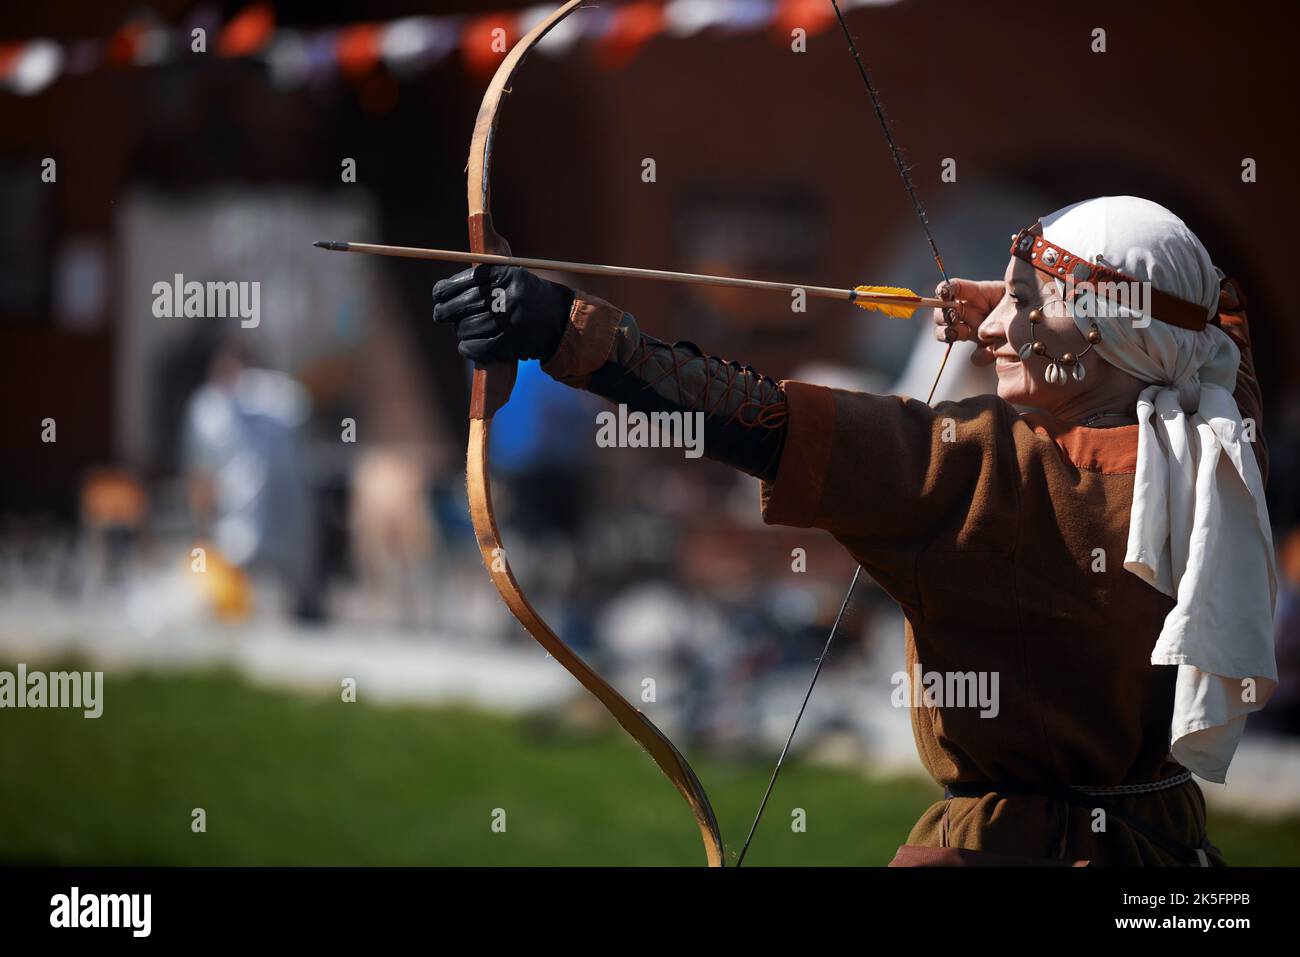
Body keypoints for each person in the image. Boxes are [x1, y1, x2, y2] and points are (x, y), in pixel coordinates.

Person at [432, 196, 1277, 866]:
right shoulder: (1221, 439)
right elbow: (1211, 308)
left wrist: (564, 330)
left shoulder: (985, 470)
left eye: (1022, 307)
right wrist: (1026, 297)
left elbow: (752, 416)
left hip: (1005, 850)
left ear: (1098, 332)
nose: (987, 331)